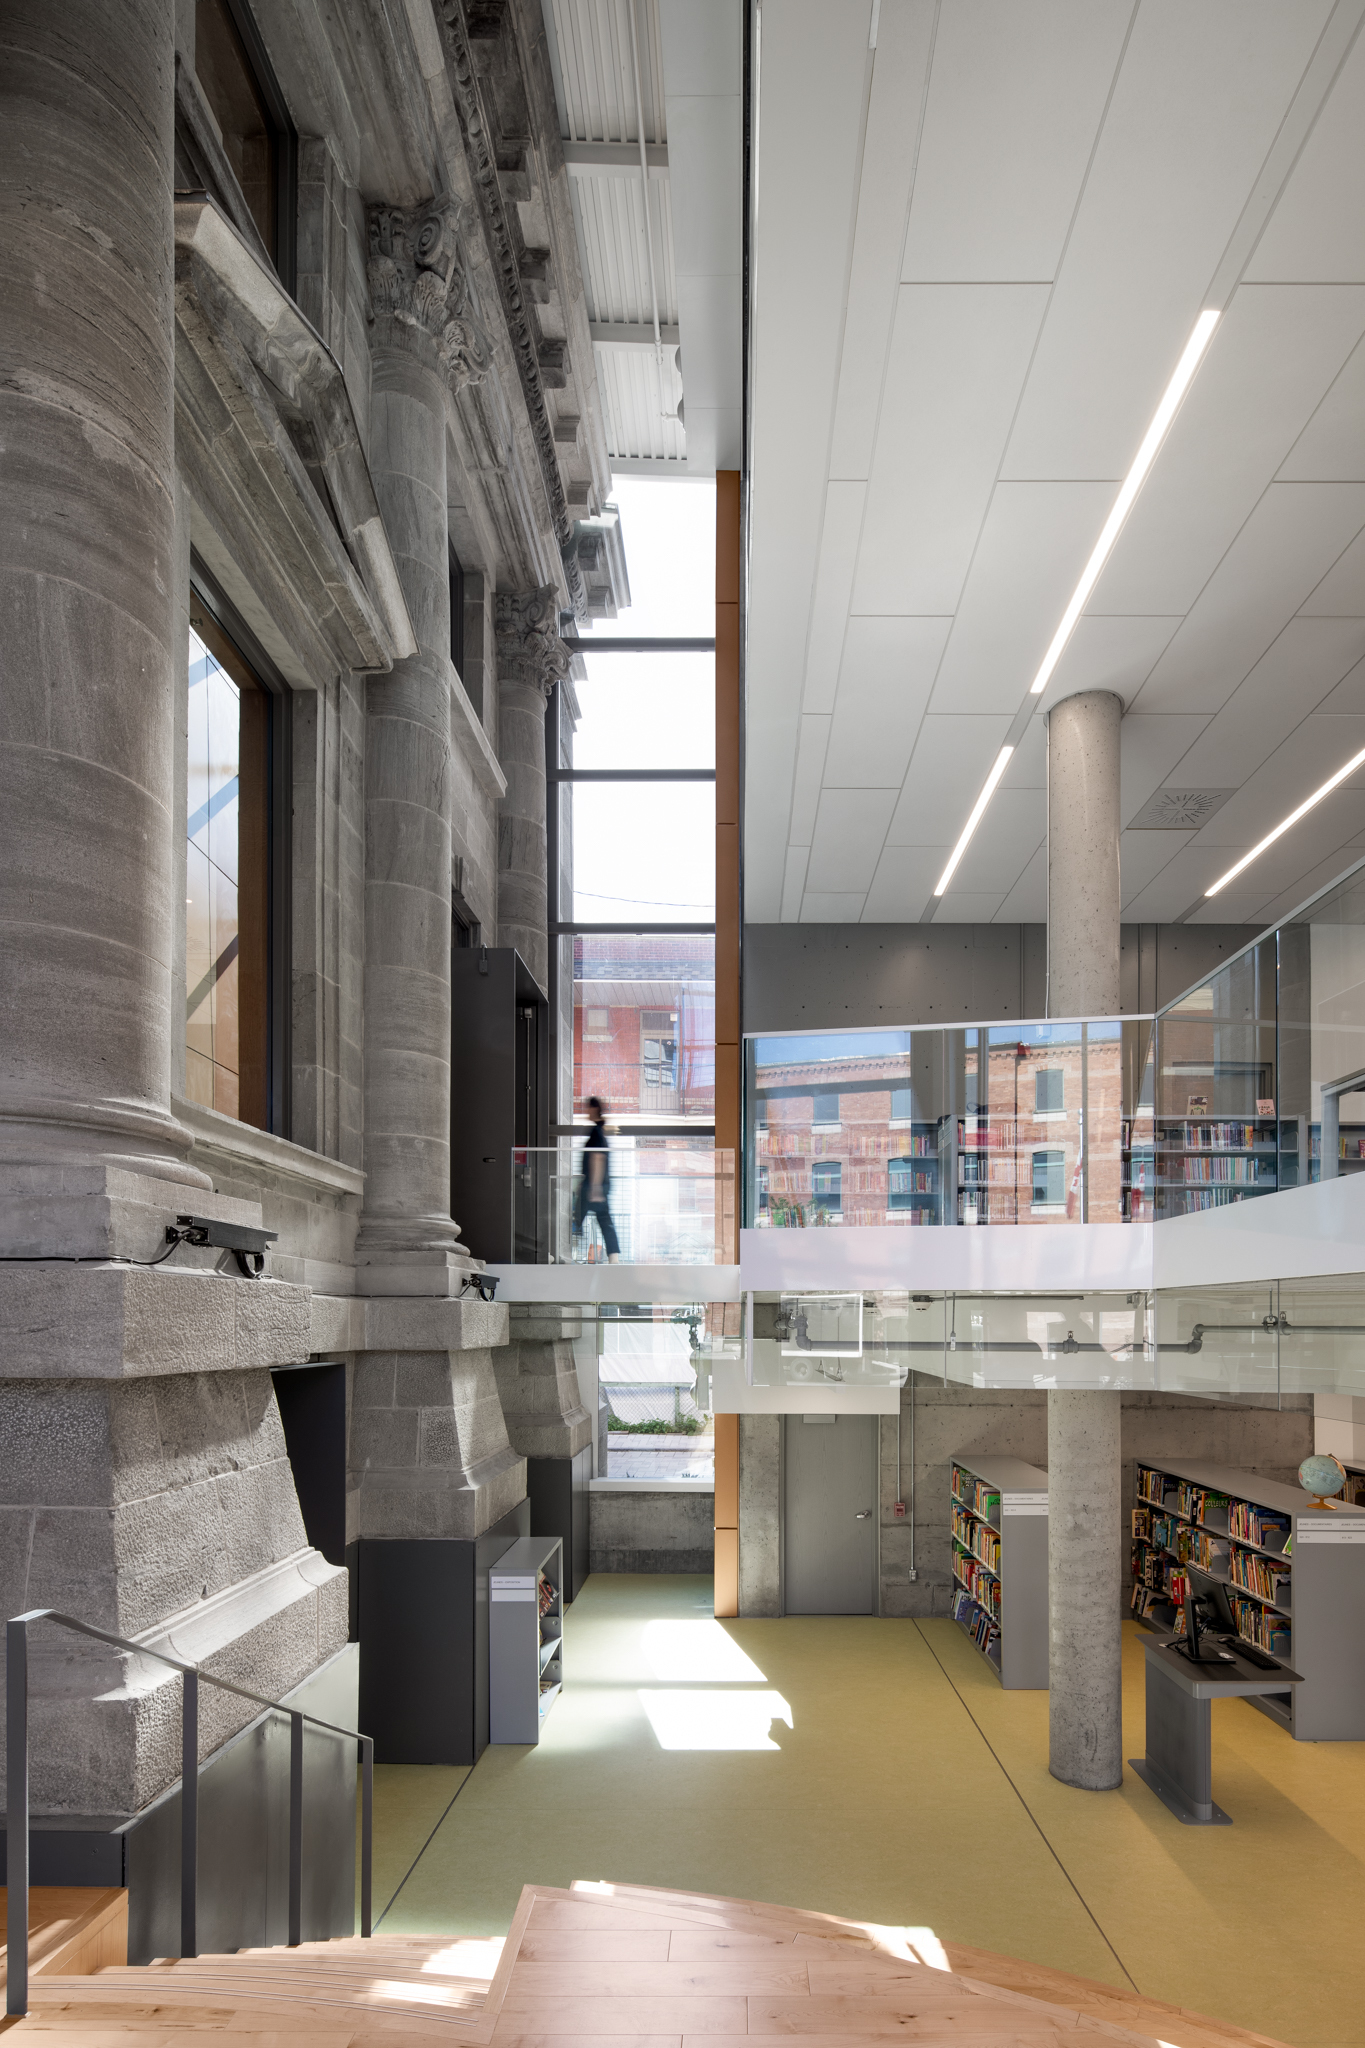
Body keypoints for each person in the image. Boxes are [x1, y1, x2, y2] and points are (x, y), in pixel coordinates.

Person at [574, 1096, 620, 1260]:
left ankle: (562, 1252)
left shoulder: (596, 1132)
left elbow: (598, 1158)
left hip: (592, 1187)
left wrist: (594, 1188)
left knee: (576, 1219)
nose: (586, 1111)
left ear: (594, 1109)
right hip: (597, 1186)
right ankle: (614, 1259)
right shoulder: (599, 1131)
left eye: (587, 1107)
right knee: (605, 1222)